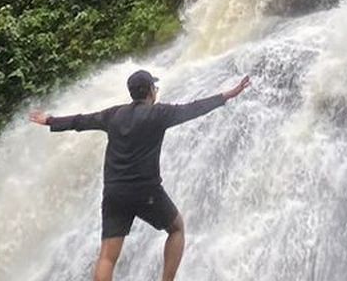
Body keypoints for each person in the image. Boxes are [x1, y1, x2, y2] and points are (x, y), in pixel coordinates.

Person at [29, 70, 252, 281]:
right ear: (149, 91)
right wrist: (229, 94)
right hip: (147, 191)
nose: (156, 91)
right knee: (176, 229)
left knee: (107, 255)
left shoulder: (113, 115)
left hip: (115, 192)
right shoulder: (159, 113)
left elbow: (81, 121)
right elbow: (195, 108)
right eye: (154, 87)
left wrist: (50, 120)